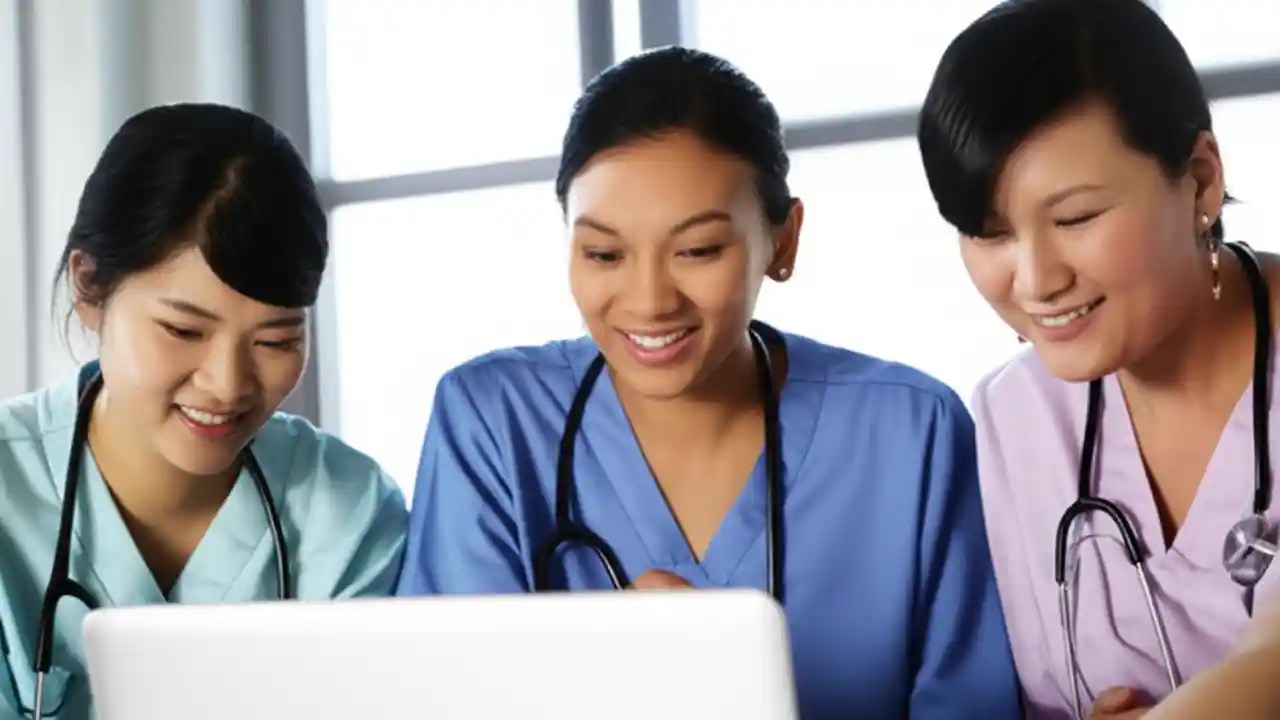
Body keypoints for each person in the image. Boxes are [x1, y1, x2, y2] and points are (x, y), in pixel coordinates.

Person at [397, 46, 1019, 719]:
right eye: (604, 253)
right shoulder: (491, 421)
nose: (649, 300)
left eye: (697, 251)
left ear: (782, 242)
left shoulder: (909, 431)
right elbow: (448, 698)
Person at [917, 0, 1279, 717]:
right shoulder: (1015, 415)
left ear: (1201, 180)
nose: (1035, 280)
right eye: (990, 234)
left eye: (1076, 219)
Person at [0, 103, 408, 719]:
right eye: (183, 330)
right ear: (89, 287)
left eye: (275, 341)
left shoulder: (348, 512)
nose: (227, 385)